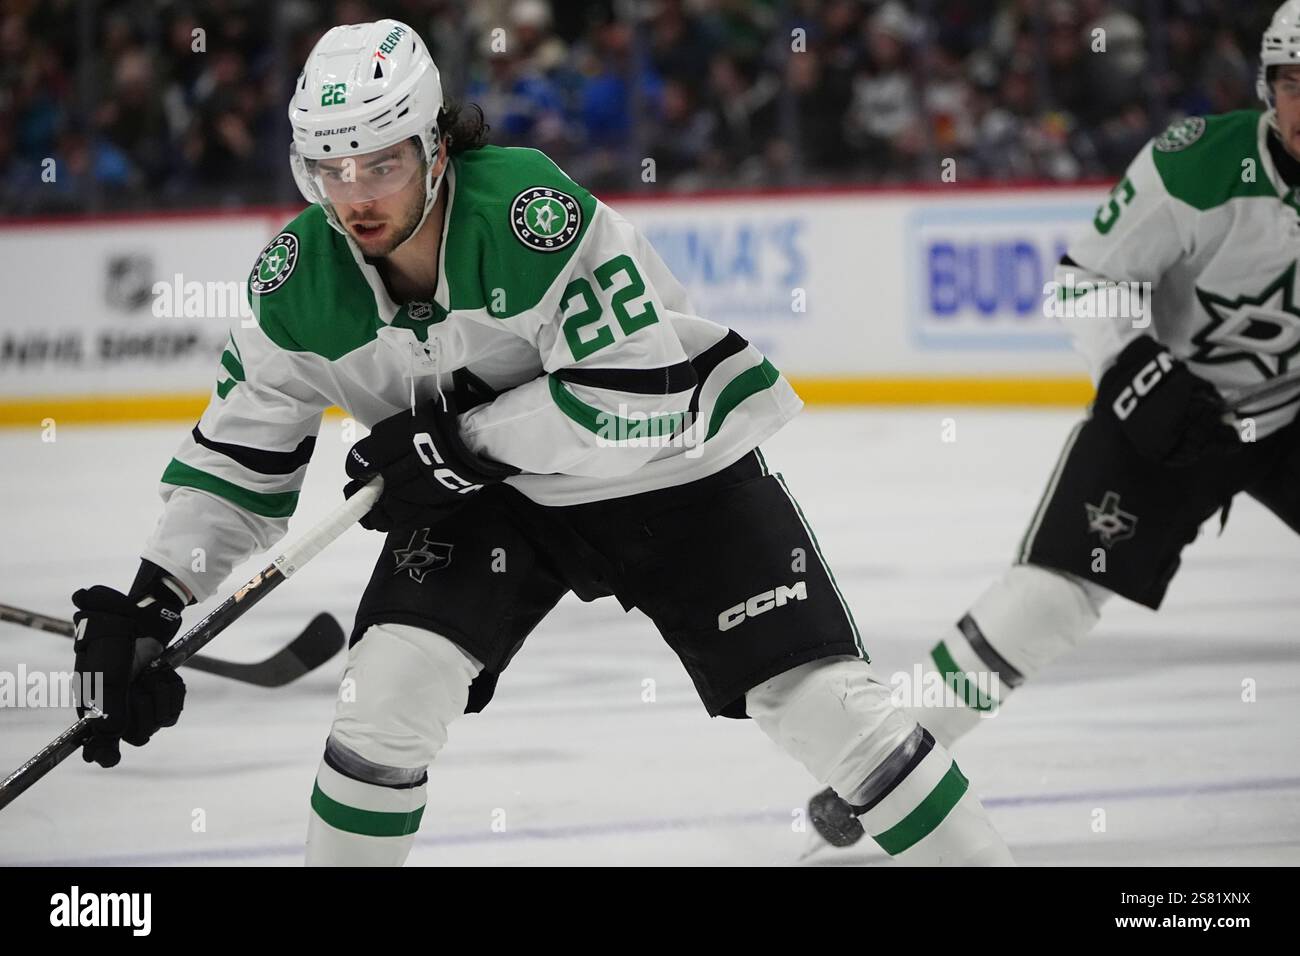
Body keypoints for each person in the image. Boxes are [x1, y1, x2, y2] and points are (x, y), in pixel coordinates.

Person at [69, 19, 1011, 866]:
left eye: (382, 163)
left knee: (828, 710)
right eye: (330, 169)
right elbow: (236, 463)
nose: (355, 195)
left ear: (437, 146)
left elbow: (643, 397)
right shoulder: (298, 284)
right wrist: (151, 604)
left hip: (673, 478)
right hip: (494, 504)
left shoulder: (527, 214)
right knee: (384, 699)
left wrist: (462, 443)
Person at [806, 0, 1300, 851]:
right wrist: (1138, 371)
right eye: (1299, 85)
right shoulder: (1197, 169)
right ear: (1268, 87)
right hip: (1176, 412)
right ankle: (886, 763)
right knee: (1051, 596)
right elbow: (1086, 284)